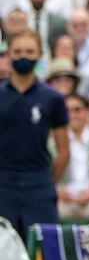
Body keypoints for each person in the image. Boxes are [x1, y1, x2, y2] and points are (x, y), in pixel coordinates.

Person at [0, 29, 69, 234]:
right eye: (18, 51)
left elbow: (64, 151)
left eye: (30, 51)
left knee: (45, 252)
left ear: (40, 54)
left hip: (39, 184)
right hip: (3, 183)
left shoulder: (53, 98)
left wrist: (45, 180)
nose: (23, 56)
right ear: (8, 55)